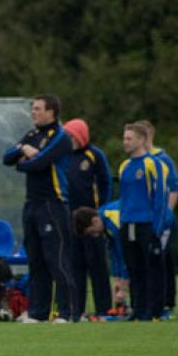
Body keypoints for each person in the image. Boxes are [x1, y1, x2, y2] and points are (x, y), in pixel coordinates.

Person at [2, 94, 77, 323]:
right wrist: (24, 148)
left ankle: (67, 312)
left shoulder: (61, 137)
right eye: (32, 108)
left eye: (37, 108)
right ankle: (38, 312)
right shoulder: (32, 135)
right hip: (31, 204)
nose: (33, 112)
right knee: (35, 260)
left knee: (57, 259)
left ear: (50, 112)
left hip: (52, 204)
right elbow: (7, 157)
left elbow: (39, 163)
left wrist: (24, 160)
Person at [63, 118, 113, 320]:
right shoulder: (62, 155)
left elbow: (106, 183)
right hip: (70, 220)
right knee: (75, 267)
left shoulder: (94, 155)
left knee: (98, 266)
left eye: (72, 136)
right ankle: (77, 310)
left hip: (91, 221)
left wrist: (100, 212)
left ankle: (104, 310)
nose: (69, 139)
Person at [118, 123, 167, 321]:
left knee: (152, 268)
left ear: (141, 140)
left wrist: (157, 226)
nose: (125, 142)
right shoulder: (124, 166)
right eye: (124, 138)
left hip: (147, 224)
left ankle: (153, 310)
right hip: (127, 223)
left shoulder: (153, 164)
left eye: (129, 138)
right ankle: (137, 309)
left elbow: (160, 197)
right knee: (133, 268)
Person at [136, 120, 178, 317]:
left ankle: (165, 303)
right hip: (141, 220)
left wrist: (164, 215)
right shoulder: (135, 161)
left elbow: (172, 190)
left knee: (161, 260)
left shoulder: (162, 159)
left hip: (159, 220)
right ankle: (143, 304)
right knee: (142, 261)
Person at [73, 201, 129, 320]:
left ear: (95, 221)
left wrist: (123, 287)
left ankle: (156, 310)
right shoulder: (103, 218)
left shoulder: (115, 223)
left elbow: (125, 256)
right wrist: (117, 278)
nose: (94, 235)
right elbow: (115, 254)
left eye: (92, 231)